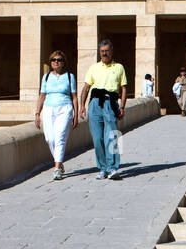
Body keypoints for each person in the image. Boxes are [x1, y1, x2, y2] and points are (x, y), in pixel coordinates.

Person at [78, 38, 128, 180]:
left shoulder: (119, 67)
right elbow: (86, 87)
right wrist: (82, 105)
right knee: (97, 138)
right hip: (95, 103)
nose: (104, 54)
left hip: (111, 102)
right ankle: (102, 168)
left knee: (112, 135)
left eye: (106, 51)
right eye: (102, 52)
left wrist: (122, 106)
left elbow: (123, 88)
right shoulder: (94, 67)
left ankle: (112, 168)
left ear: (111, 52)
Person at [33, 50, 78, 181]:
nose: (56, 62)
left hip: (65, 107)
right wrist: (37, 113)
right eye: (53, 60)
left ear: (63, 63)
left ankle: (57, 167)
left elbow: (74, 97)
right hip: (48, 108)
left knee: (60, 138)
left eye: (59, 60)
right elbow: (42, 95)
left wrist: (75, 114)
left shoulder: (70, 76)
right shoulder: (46, 77)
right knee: (50, 139)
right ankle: (59, 161)